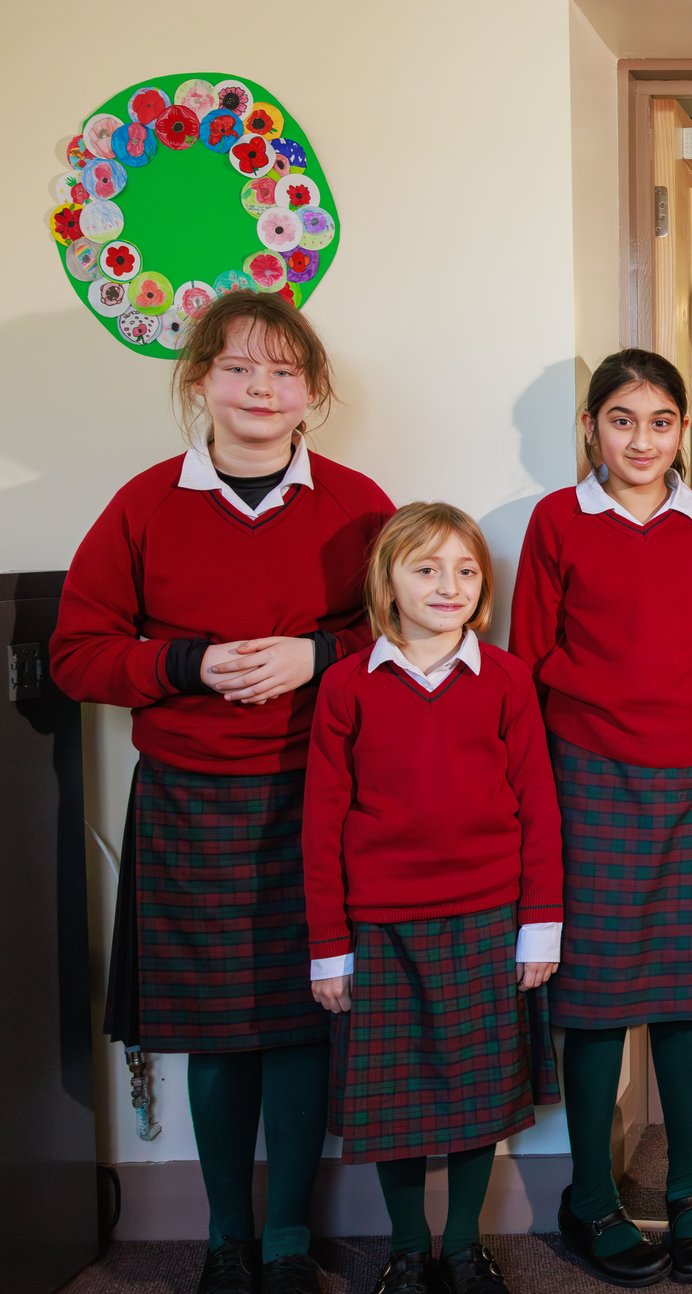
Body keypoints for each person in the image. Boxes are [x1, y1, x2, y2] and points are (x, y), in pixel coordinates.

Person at [51, 292, 393, 1294]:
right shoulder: (145, 504)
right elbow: (79, 652)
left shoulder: (359, 502)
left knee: (297, 1024)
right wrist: (187, 665)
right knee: (217, 1034)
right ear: (200, 380)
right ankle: (228, 1239)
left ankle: (287, 1238)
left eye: (283, 372)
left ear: (313, 395)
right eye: (238, 367)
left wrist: (315, 654)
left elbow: (413, 629)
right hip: (190, 797)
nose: (259, 388)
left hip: (315, 796)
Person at [512, 350, 692, 1286]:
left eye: (661, 421)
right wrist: (531, 799)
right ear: (592, 428)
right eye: (623, 420)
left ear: (683, 431)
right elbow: (528, 658)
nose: (642, 440)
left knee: (683, 996)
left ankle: (690, 1185)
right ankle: (590, 1195)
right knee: (593, 1001)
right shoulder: (556, 522)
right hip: (585, 781)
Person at [304, 502, 562, 1294]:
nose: (448, 586)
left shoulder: (507, 678)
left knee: (479, 1097)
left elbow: (538, 806)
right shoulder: (347, 686)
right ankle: (408, 1249)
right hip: (379, 930)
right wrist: (329, 945)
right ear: (388, 581)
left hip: (487, 921)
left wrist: (539, 929)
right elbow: (322, 821)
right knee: (397, 1109)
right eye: (426, 568)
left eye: (466, 570)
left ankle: (462, 1247)